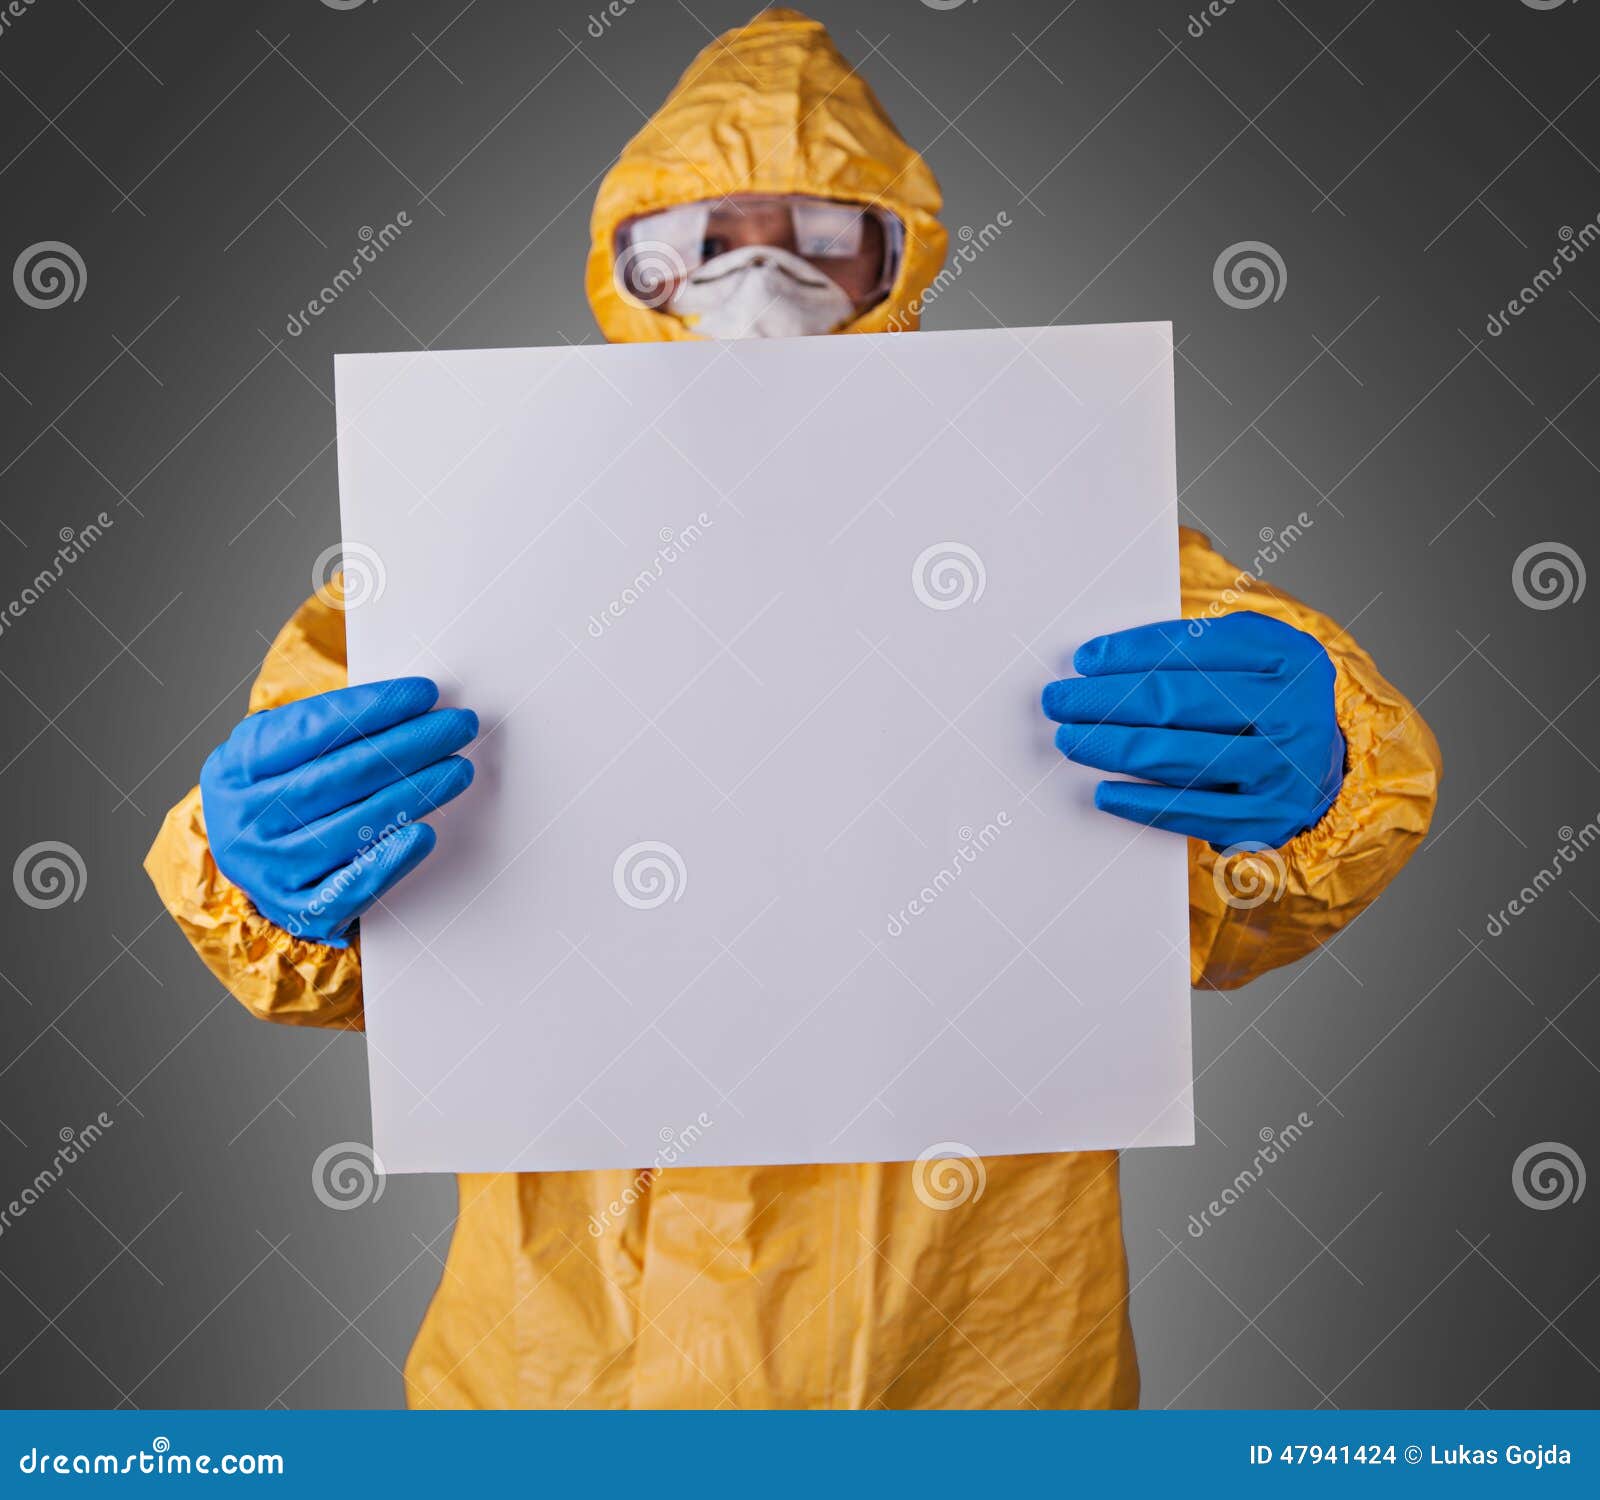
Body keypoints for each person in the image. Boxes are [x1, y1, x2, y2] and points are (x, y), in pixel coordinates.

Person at [145, 8, 1441, 1408]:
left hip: (979, 1368)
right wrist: (254, 870)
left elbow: (1234, 906)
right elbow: (351, 965)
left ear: (898, 265)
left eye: (821, 236)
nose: (757, 277)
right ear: (627, 269)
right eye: (702, 239)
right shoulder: (483, 545)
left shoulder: (1054, 530)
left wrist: (1333, 768)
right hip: (570, 1382)